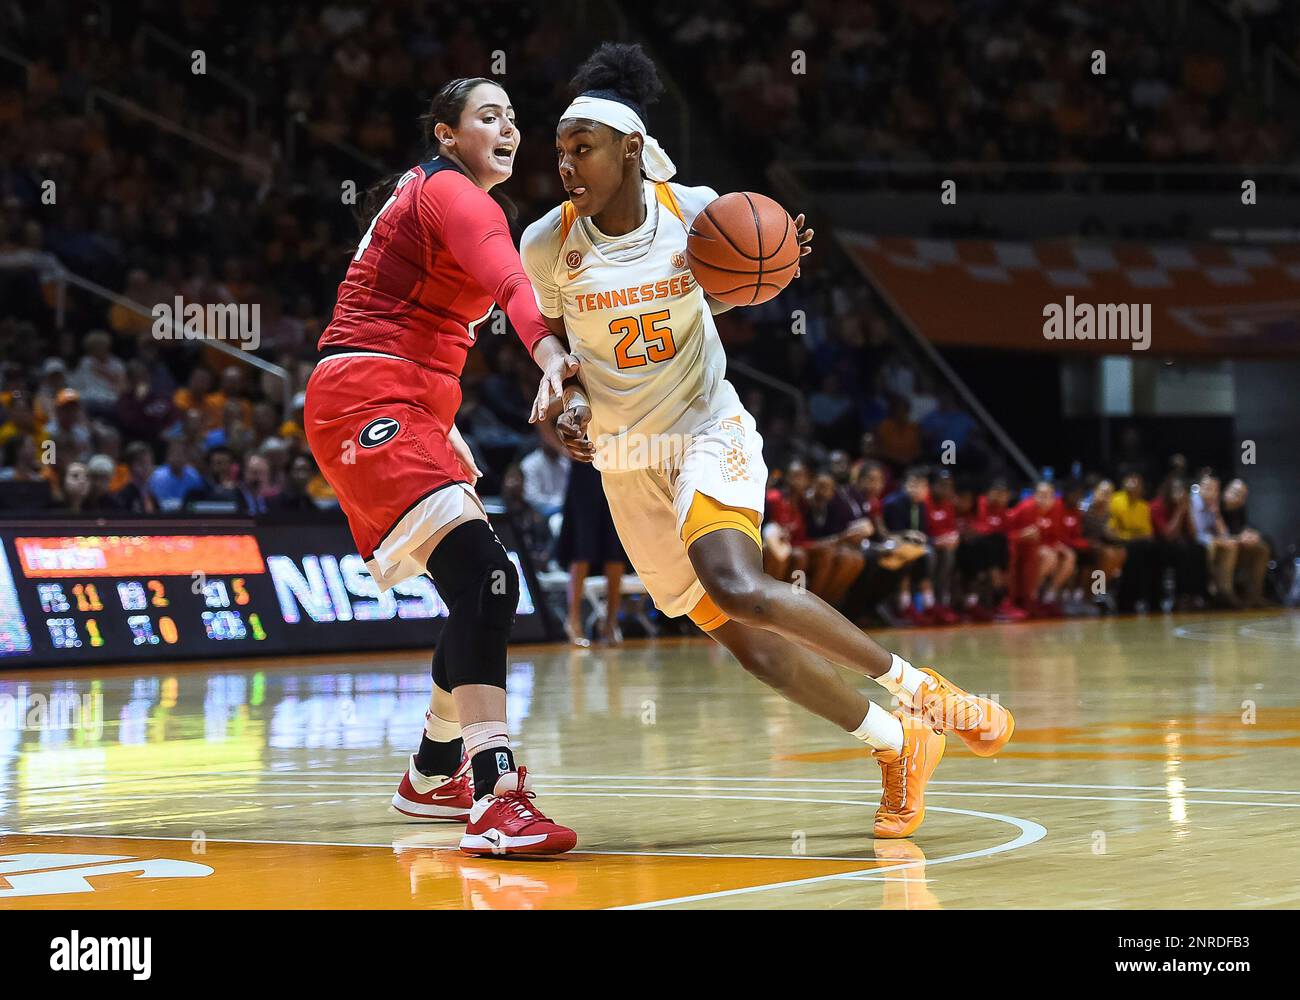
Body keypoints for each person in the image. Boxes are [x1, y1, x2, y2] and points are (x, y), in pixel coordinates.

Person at [523, 44, 1013, 839]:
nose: (567, 165)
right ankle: (899, 744)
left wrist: (771, 266)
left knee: (737, 581)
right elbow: (549, 338)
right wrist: (569, 401)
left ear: (632, 150)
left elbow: (750, 266)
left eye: (583, 148)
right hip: (626, 460)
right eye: (561, 150)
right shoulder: (548, 245)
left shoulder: (700, 215)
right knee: (749, 646)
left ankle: (918, 688)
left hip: (706, 428)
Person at [304, 78, 580, 856]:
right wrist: (547, 348)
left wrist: (443, 417)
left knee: (475, 586)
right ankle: (495, 793)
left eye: (513, 118)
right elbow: (507, 278)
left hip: (397, 398)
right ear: (446, 133)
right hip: (366, 396)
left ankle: (432, 774)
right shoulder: (452, 191)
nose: (508, 127)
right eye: (488, 115)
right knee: (488, 578)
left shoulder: (431, 196)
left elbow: (421, 319)